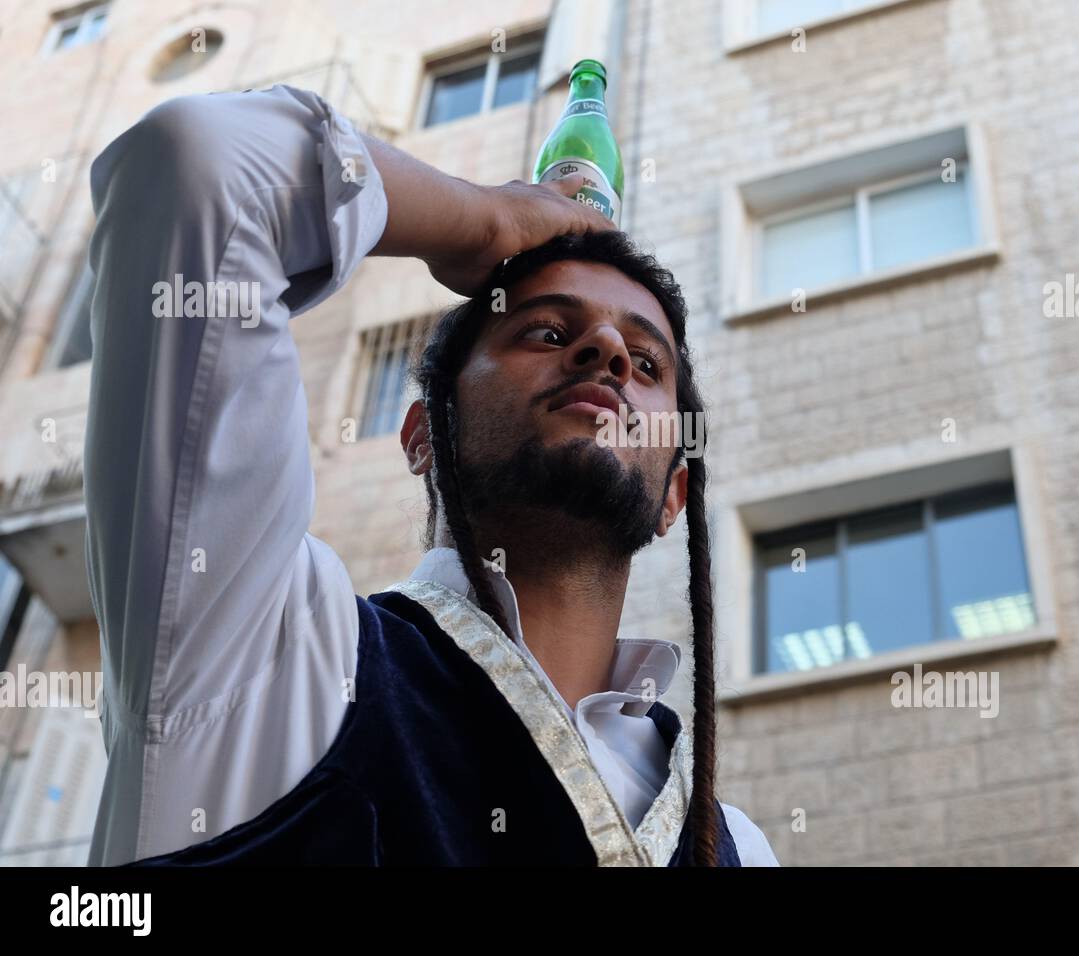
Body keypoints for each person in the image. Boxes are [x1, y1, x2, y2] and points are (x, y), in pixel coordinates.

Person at [83, 84, 778, 866]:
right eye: (548, 330)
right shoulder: (268, 647)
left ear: (673, 499)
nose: (609, 354)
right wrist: (490, 219)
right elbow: (201, 166)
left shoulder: (737, 849)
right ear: (423, 437)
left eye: (646, 361)